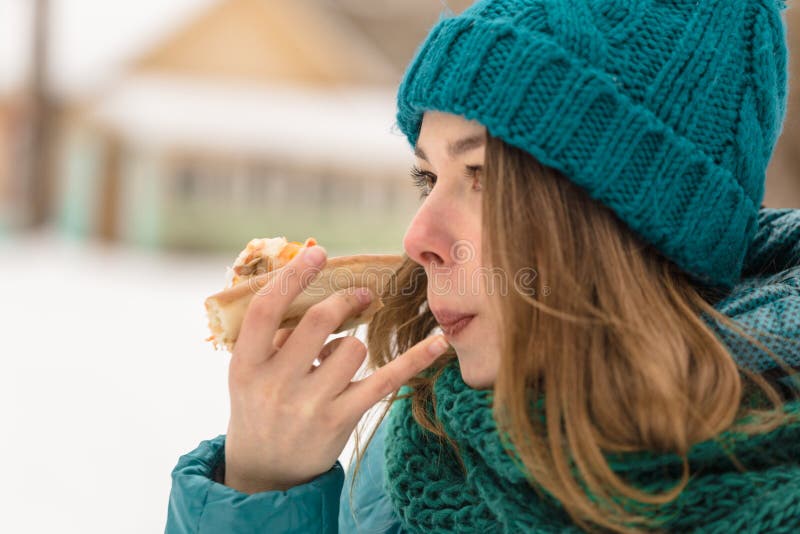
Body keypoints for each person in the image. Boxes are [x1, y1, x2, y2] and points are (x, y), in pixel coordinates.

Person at [166, 0, 800, 532]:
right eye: (428, 176)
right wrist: (264, 488)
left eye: (484, 177)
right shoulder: (411, 460)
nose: (419, 238)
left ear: (637, 221)